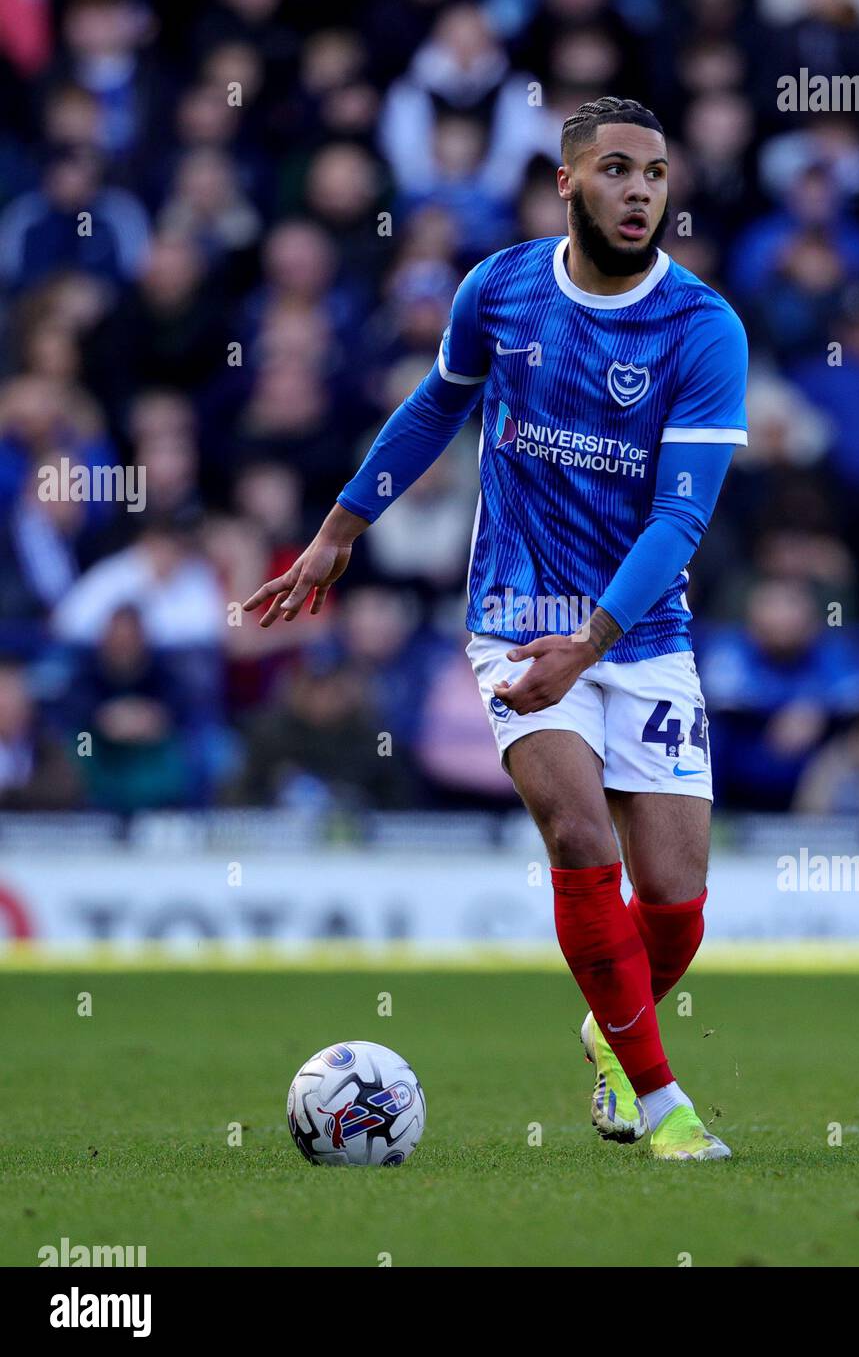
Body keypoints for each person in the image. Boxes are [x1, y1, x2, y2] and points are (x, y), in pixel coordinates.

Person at [244, 96, 748, 1163]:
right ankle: (662, 1107)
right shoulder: (501, 290)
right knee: (578, 836)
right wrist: (340, 529)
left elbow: (681, 516)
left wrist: (596, 641)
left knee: (675, 903)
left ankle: (608, 1031)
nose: (640, 192)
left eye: (656, 175)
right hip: (517, 615)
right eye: (616, 171)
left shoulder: (705, 329)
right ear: (567, 182)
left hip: (641, 632)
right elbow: (436, 404)